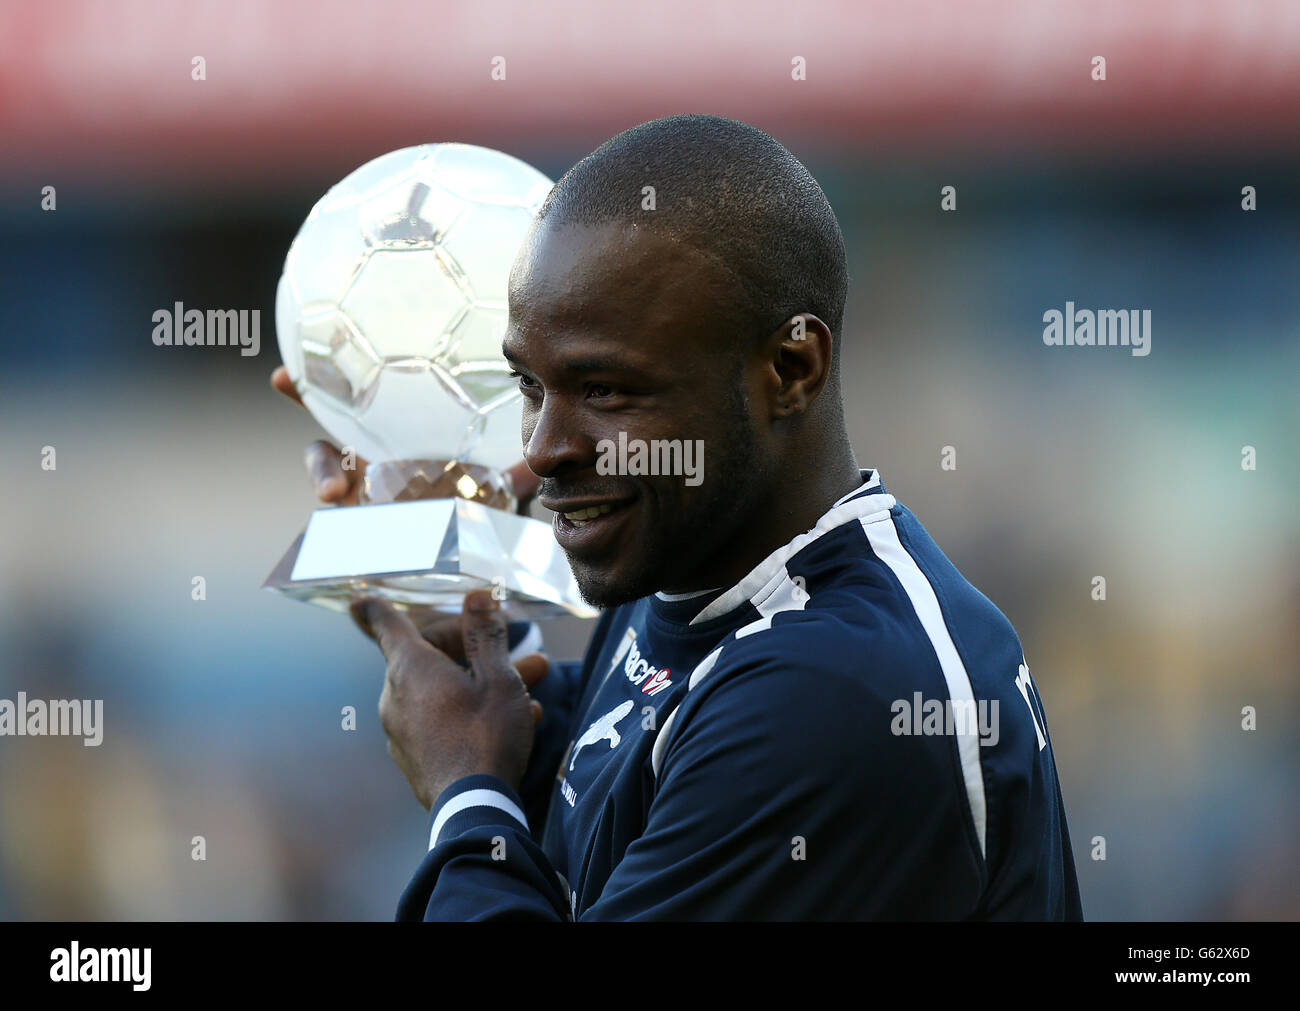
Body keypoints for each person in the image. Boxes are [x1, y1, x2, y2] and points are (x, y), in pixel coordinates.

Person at [272, 114, 1083, 920]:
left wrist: (466, 794)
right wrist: (454, 619)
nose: (545, 446)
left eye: (605, 391)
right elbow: (619, 786)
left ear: (790, 369)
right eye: (529, 386)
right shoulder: (688, 565)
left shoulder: (836, 696)